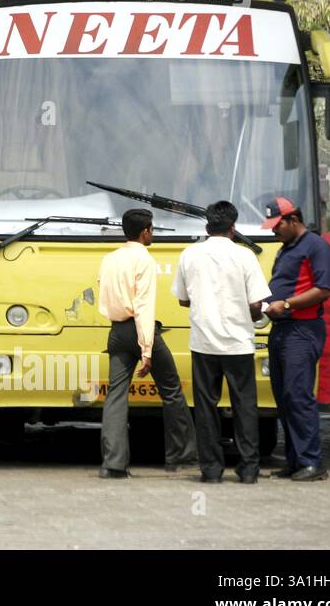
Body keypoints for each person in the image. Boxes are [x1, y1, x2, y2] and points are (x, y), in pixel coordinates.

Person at [172, 201, 271, 484]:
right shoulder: (245, 256)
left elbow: (182, 298)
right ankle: (249, 469)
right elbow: (256, 303)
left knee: (205, 406)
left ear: (206, 227)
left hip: (203, 343)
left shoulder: (189, 255)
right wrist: (250, 311)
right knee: (244, 405)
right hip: (238, 343)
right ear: (233, 227)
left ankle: (211, 470)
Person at [96, 208, 195, 478]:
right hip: (140, 331)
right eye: (151, 229)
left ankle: (113, 465)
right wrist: (147, 350)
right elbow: (143, 308)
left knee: (115, 396)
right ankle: (179, 456)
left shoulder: (109, 259)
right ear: (145, 232)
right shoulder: (145, 261)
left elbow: (103, 292)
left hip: (116, 331)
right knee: (171, 389)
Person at [262, 196, 330, 481]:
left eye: (277, 225)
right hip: (280, 330)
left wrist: (288, 304)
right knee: (284, 397)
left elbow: (323, 289)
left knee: (298, 396)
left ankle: (312, 463)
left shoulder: (316, 246)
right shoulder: (285, 249)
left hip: (302, 331)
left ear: (294, 220)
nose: (273, 231)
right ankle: (295, 461)